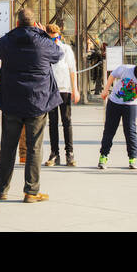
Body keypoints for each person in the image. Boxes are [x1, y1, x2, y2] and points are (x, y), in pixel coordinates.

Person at [0, 7, 63, 203]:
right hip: (37, 101)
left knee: (7, 146)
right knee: (34, 147)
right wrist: (43, 33)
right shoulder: (43, 41)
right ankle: (31, 192)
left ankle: (1, 190)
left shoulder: (9, 39)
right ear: (34, 24)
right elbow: (58, 54)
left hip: (12, 101)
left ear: (16, 23)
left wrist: (13, 32)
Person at [44, 23, 78, 167]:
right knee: (52, 122)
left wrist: (75, 89)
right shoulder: (45, 49)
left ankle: (69, 153)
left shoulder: (66, 49)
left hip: (64, 88)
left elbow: (72, 69)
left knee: (66, 120)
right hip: (51, 89)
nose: (55, 41)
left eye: (56, 38)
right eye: (51, 39)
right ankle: (54, 153)